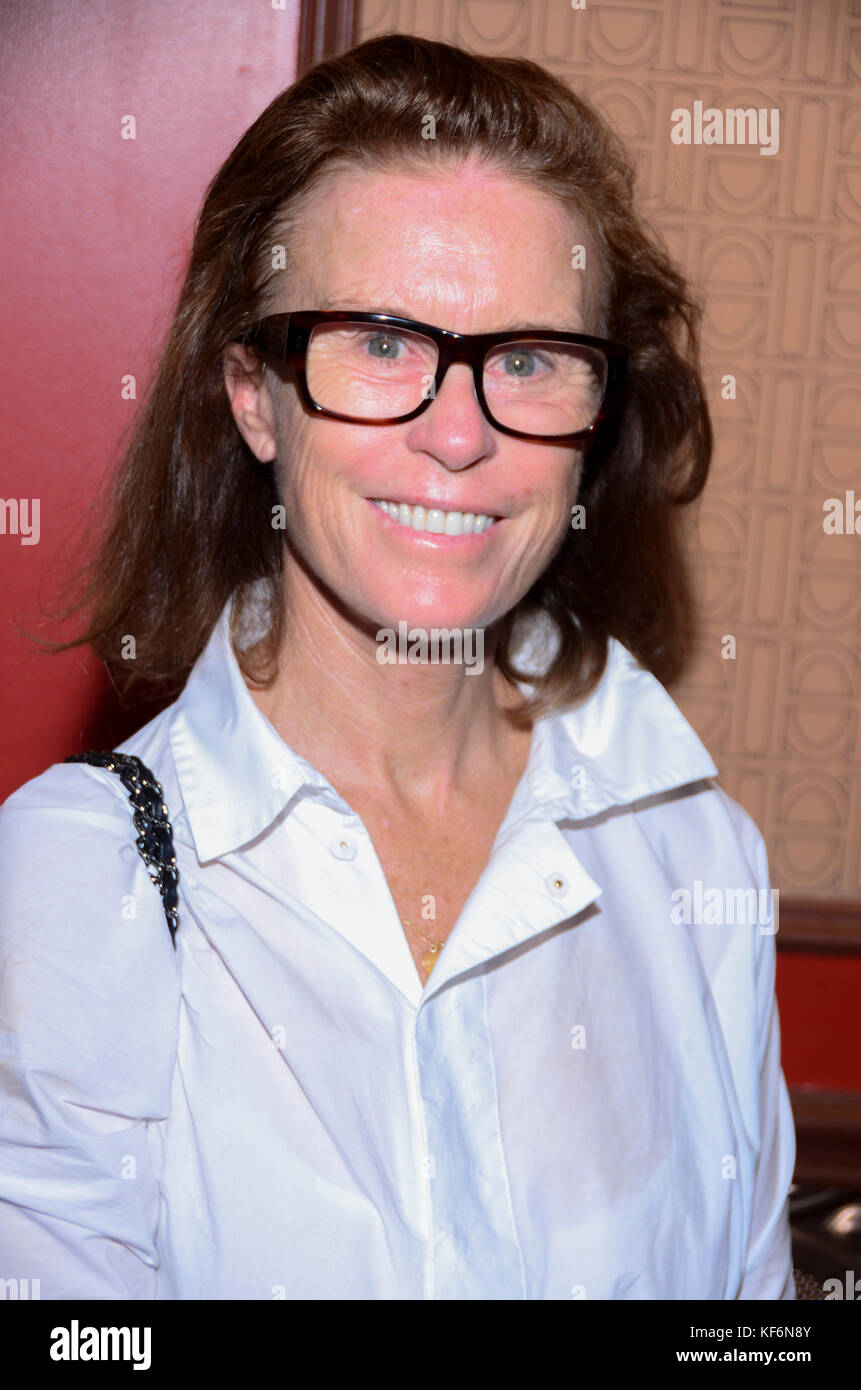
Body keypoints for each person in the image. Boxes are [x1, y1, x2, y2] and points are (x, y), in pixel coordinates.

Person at [0, 33, 795, 1299]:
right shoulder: (76, 883)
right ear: (254, 394)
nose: (460, 432)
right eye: (380, 341)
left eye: (529, 357)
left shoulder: (691, 852)